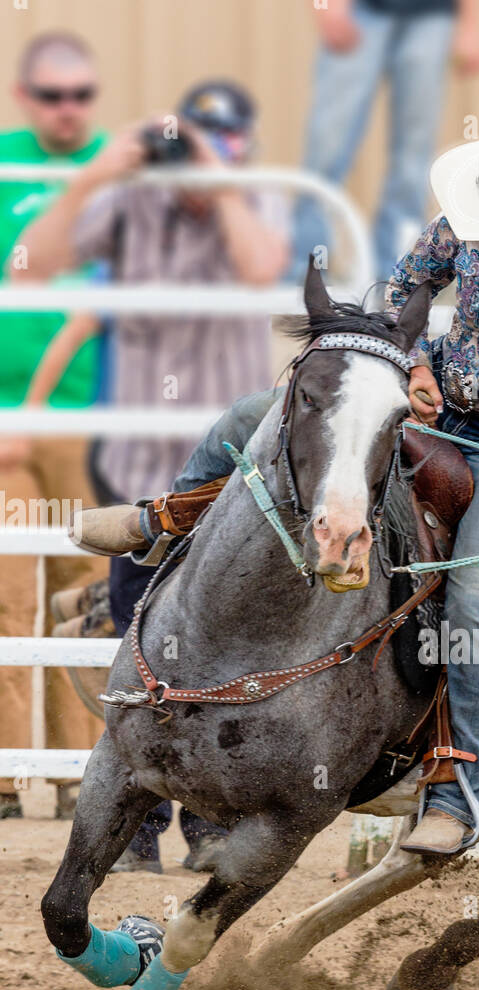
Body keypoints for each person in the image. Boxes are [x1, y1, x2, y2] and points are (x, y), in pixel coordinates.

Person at [76, 113, 479, 857]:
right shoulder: (467, 222)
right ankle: (168, 517)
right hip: (433, 405)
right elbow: (405, 290)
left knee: (473, 595)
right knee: (258, 418)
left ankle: (458, 782)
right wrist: (407, 365)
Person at [14, 78, 290, 869]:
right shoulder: (129, 209)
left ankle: (210, 825)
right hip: (137, 469)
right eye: (198, 139)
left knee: (228, 646)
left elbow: (258, 264)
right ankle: (137, 829)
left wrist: (216, 174)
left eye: (222, 139)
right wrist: (103, 172)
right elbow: (40, 266)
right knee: (145, 650)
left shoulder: (256, 204)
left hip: (234, 474)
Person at [0, 31, 109, 818]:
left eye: (80, 94)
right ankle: (7, 773)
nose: (66, 110)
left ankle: (79, 770)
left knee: (87, 590)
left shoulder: (119, 171)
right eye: (51, 95)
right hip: (5, 419)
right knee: (7, 598)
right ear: (25, 95)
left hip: (92, 417)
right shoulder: (7, 167)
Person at [292, 0, 479, 283]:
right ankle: (306, 267)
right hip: (358, 12)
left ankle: (397, 274)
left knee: (414, 155)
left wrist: (469, 28)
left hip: (431, 17)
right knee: (327, 146)